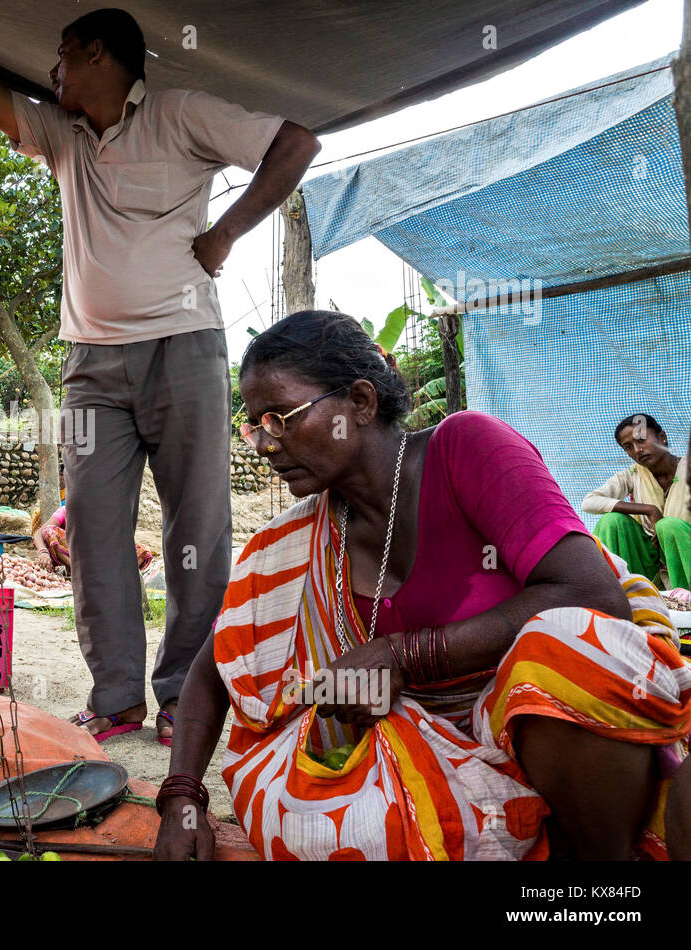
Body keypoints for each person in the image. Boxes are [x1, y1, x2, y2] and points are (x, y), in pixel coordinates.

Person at [0, 2, 321, 745]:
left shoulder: (180, 115)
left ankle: (185, 694)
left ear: (100, 56)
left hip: (185, 346)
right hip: (89, 367)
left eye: (62, 56)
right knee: (94, 534)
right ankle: (116, 698)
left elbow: (296, 143)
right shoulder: (60, 134)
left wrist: (228, 233)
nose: (50, 72)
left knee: (198, 531)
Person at [153, 310, 691, 861]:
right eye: (256, 425)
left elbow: (592, 597)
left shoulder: (465, 447)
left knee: (571, 650)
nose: (266, 446)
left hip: (562, 751)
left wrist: (403, 656)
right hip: (428, 761)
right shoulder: (294, 541)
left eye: (281, 418)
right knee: (322, 822)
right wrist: (181, 798)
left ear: (360, 403)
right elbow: (215, 664)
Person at [582, 413, 690, 589]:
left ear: (662, 437)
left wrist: (667, 528)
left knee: (668, 526)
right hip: (651, 565)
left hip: (687, 557)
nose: (637, 450)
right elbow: (589, 502)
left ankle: (685, 598)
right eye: (628, 446)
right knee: (612, 521)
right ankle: (618, 593)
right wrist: (649, 510)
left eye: (642, 440)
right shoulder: (633, 474)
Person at [34, 498, 153, 575]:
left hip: (94, 560)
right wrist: (43, 552)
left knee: (142, 550)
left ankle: (114, 577)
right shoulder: (65, 511)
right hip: (69, 556)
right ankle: (77, 571)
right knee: (50, 531)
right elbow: (39, 533)